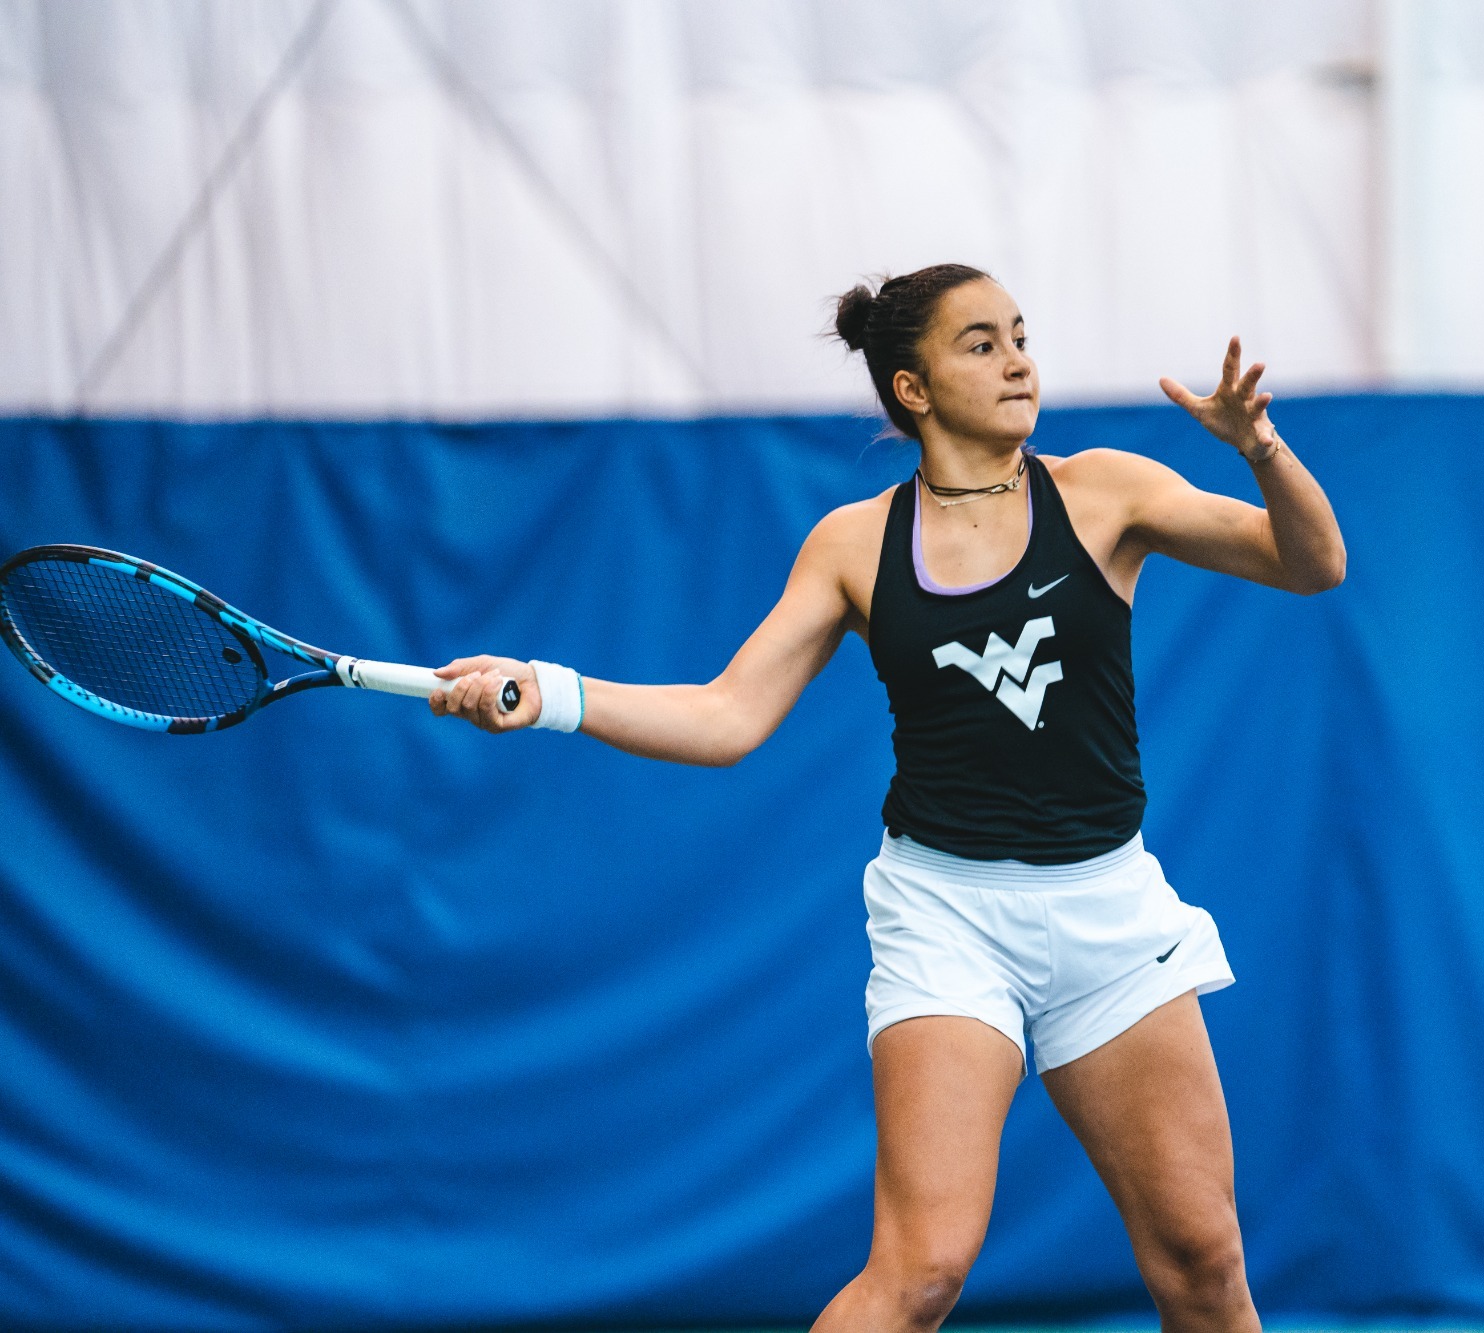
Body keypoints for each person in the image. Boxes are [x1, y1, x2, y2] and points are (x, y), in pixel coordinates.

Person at [432, 263, 1344, 1333]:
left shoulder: (1103, 491)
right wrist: (554, 695)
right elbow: (729, 717)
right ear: (910, 388)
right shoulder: (854, 545)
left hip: (1110, 910)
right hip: (945, 918)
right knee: (920, 1273)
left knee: (1201, 1260)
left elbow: (1310, 560)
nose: (1016, 361)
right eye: (979, 343)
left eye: (1019, 335)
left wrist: (1259, 448)